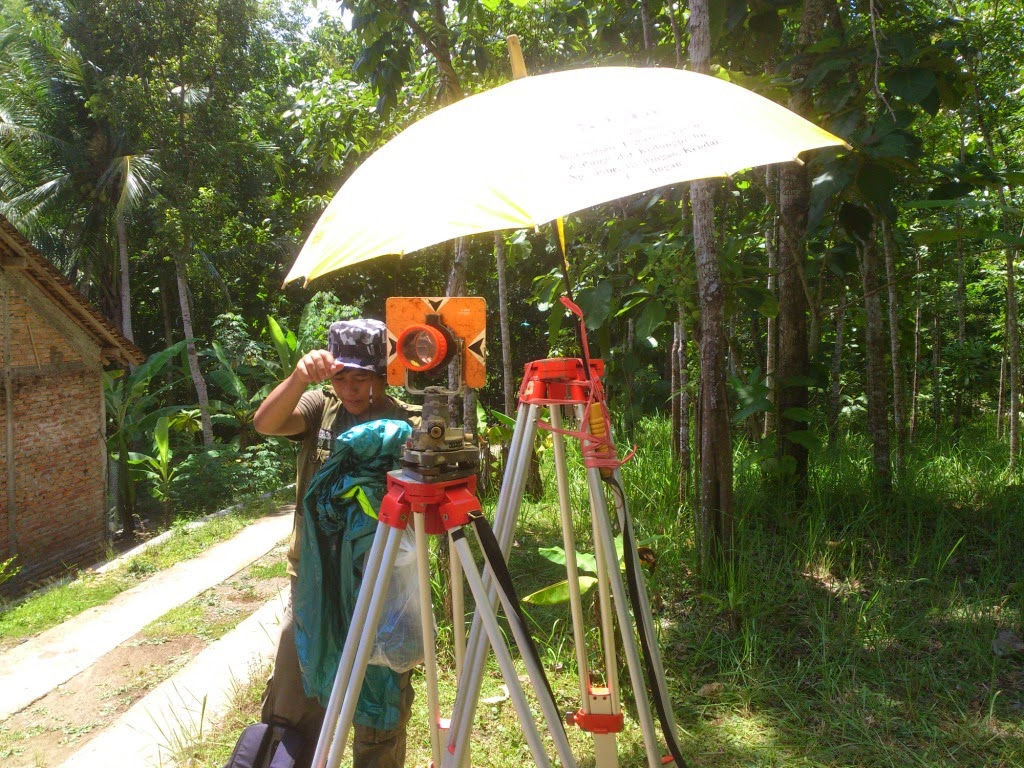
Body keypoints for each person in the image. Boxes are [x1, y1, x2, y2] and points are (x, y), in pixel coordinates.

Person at [253, 318, 419, 768]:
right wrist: (299, 376)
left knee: (379, 692)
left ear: (381, 374)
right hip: (313, 572)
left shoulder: (406, 421)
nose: (349, 387)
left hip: (378, 578)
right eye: (340, 376)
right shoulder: (317, 407)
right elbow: (266, 423)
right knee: (299, 683)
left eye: (361, 377)